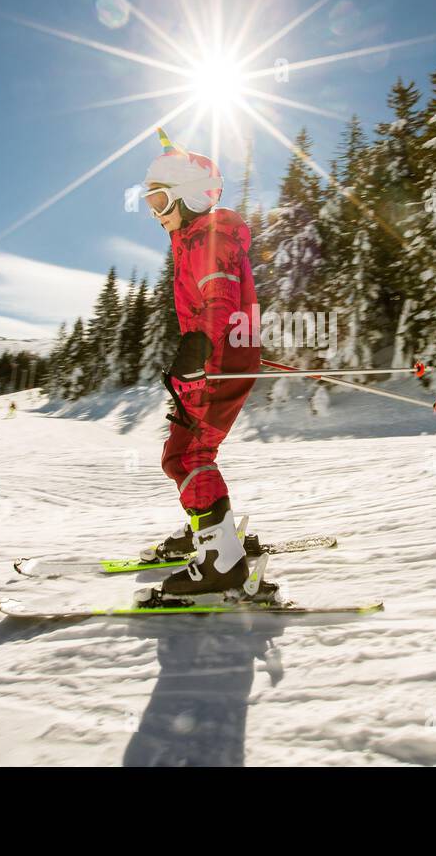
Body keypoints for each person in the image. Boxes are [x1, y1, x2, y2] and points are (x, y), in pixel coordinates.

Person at [139, 129, 260, 596]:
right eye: (149, 202)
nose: (155, 214)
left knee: (187, 455)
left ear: (188, 197)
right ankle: (207, 533)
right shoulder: (196, 235)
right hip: (223, 356)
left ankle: (220, 562)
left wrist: (200, 349)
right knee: (189, 452)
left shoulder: (206, 236)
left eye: (160, 201)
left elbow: (220, 296)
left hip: (218, 361)